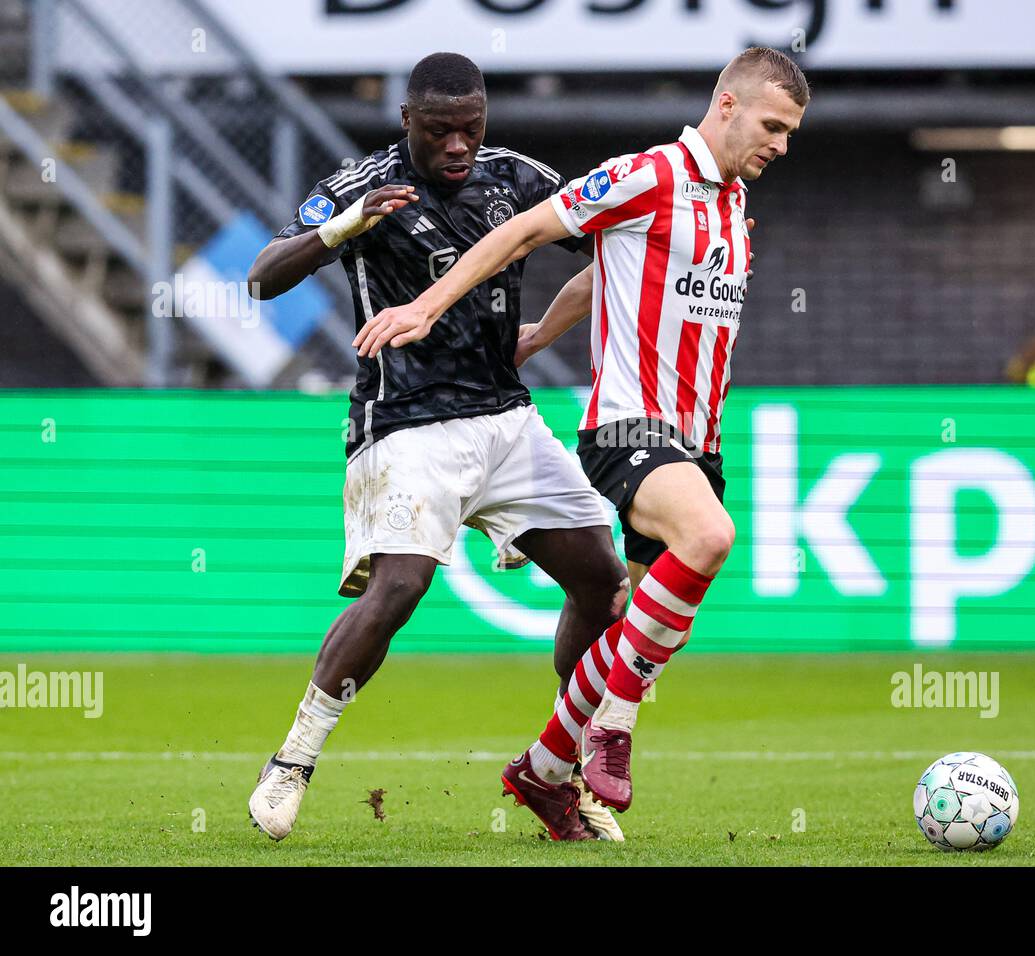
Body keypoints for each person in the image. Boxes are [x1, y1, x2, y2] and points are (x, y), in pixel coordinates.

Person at [351, 47, 809, 815]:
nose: (782, 144)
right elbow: (522, 233)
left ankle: (544, 765)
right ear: (726, 106)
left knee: (646, 629)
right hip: (630, 424)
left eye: (792, 132)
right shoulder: (647, 174)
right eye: (772, 125)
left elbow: (605, 271)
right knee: (710, 537)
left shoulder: (731, 203)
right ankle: (612, 726)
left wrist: (539, 335)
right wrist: (429, 306)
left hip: (700, 439)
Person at [244, 52, 629, 843]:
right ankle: (293, 760)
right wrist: (341, 229)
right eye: (440, 130)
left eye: (471, 128)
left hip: (507, 419)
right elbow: (260, 278)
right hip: (406, 423)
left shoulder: (517, 178)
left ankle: (559, 770)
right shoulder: (361, 185)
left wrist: (542, 335)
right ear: (407, 122)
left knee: (604, 580)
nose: (458, 145)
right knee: (403, 586)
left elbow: (618, 259)